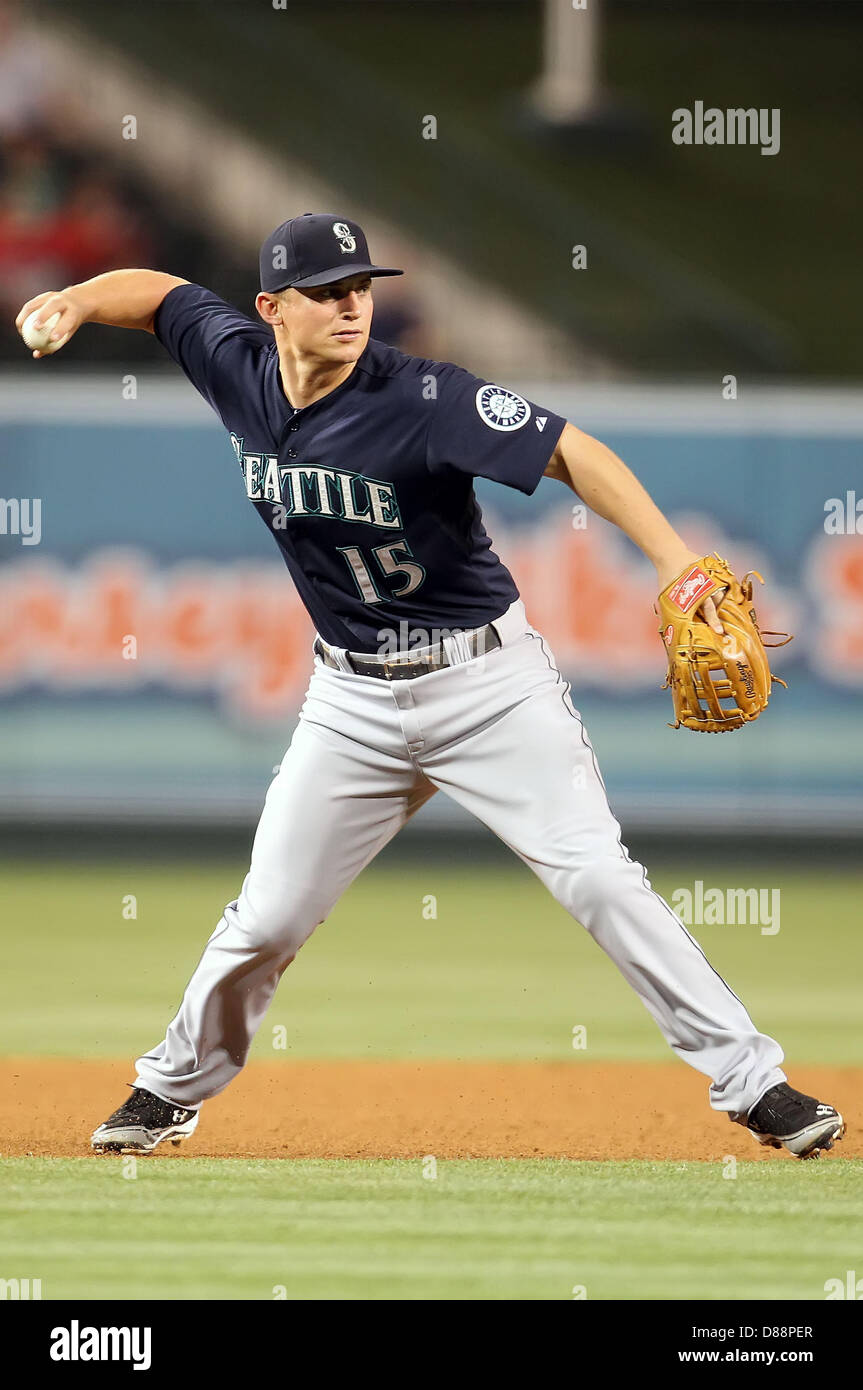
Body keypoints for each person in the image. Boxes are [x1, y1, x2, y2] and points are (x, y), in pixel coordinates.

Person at [16, 212, 844, 1161]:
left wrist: (671, 559)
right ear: (272, 309)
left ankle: (755, 1085)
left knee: (597, 877)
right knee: (270, 913)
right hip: (352, 703)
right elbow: (163, 296)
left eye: (360, 287)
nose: (349, 306)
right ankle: (166, 1093)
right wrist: (75, 301)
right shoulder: (235, 362)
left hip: (487, 686)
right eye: (326, 292)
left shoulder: (425, 396)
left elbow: (572, 451)